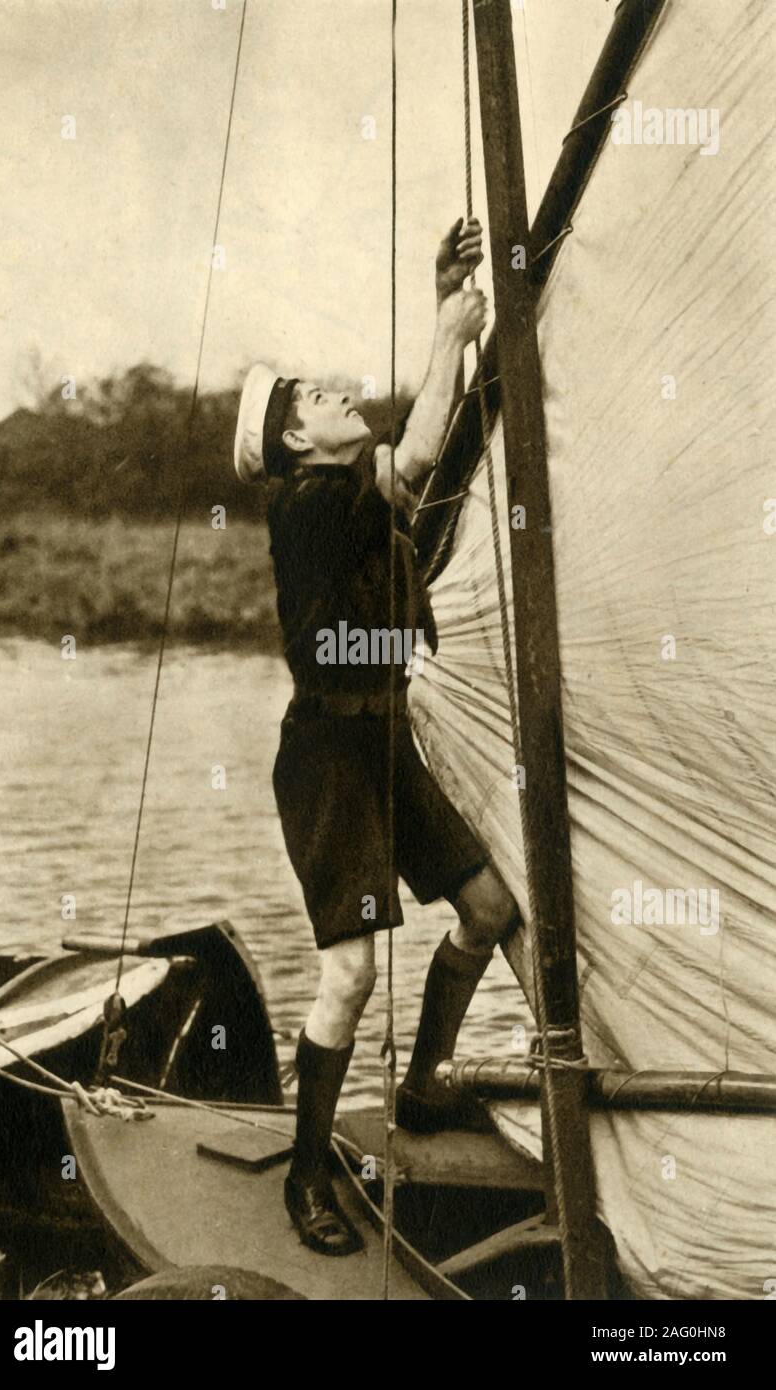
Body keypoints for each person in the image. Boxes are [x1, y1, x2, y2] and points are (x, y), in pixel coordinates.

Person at [233, 217, 522, 1258]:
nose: (334, 393)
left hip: (380, 743)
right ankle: (306, 1177)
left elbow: (421, 442)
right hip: (324, 759)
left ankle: (425, 1081)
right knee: (349, 974)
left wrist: (444, 311)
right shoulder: (307, 508)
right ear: (297, 442)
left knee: (486, 908)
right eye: (314, 397)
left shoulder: (346, 490)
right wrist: (447, 329)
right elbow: (423, 446)